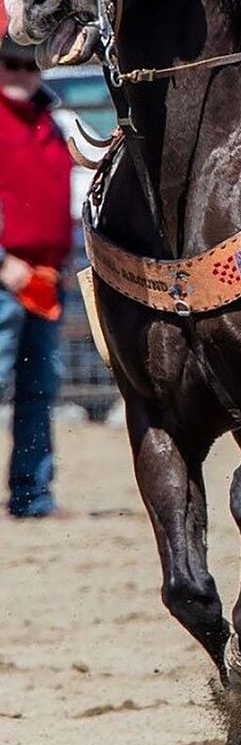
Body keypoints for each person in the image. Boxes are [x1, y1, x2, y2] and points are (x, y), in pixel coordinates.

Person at [0, 31, 73, 519]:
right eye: (12, 64)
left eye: (30, 64)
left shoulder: (51, 120)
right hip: (8, 275)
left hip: (45, 277)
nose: (23, 73)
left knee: (39, 390)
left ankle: (33, 494)